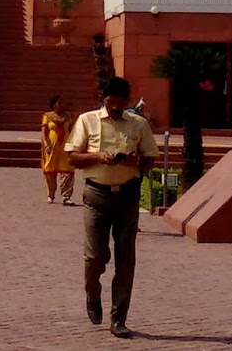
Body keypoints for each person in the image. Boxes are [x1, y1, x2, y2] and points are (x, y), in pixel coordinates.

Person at [66, 76, 158, 338]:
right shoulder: (88, 120)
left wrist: (135, 163)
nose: (116, 107)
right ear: (103, 99)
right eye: (111, 102)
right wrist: (97, 156)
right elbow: (73, 157)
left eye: (121, 102)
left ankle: (119, 318)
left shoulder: (138, 124)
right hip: (97, 194)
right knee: (95, 256)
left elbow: (150, 159)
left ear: (128, 102)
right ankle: (92, 293)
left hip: (127, 196)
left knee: (126, 259)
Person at [41, 95, 76, 205]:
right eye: (59, 103)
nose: (62, 105)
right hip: (52, 148)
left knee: (68, 171)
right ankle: (51, 194)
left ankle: (66, 196)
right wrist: (46, 144)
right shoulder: (47, 116)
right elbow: (43, 132)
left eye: (63, 103)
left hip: (65, 147)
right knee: (50, 172)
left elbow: (71, 130)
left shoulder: (68, 116)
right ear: (54, 105)